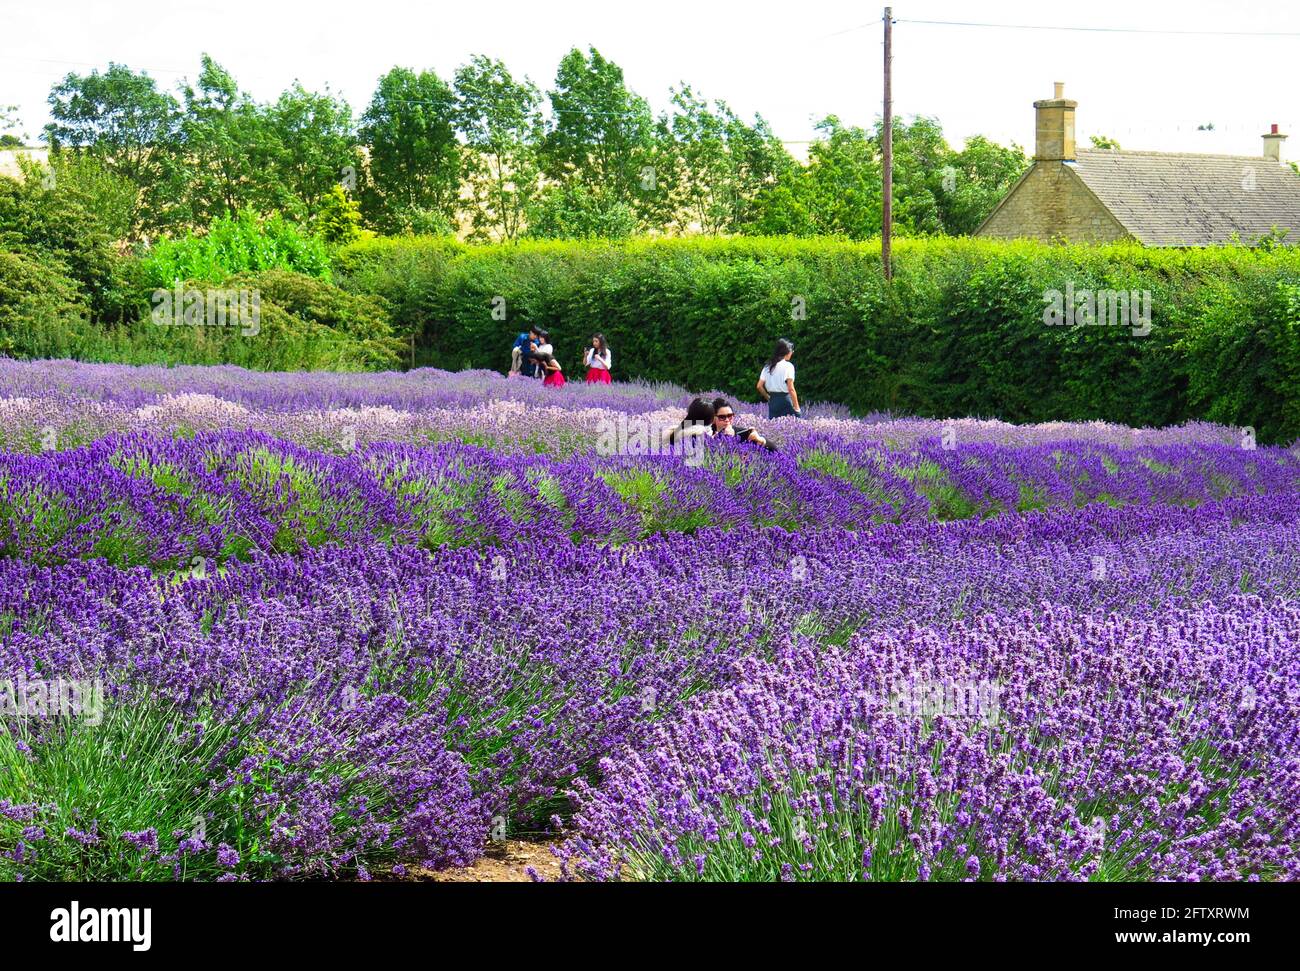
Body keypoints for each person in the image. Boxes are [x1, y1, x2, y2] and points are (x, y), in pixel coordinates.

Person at [756, 338, 801, 419]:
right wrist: (797, 408)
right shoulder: (788, 366)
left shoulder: (767, 366)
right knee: (791, 427)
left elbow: (759, 386)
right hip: (785, 401)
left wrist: (768, 397)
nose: (792, 353)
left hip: (773, 401)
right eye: (792, 351)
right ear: (787, 352)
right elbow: (791, 389)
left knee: (774, 428)